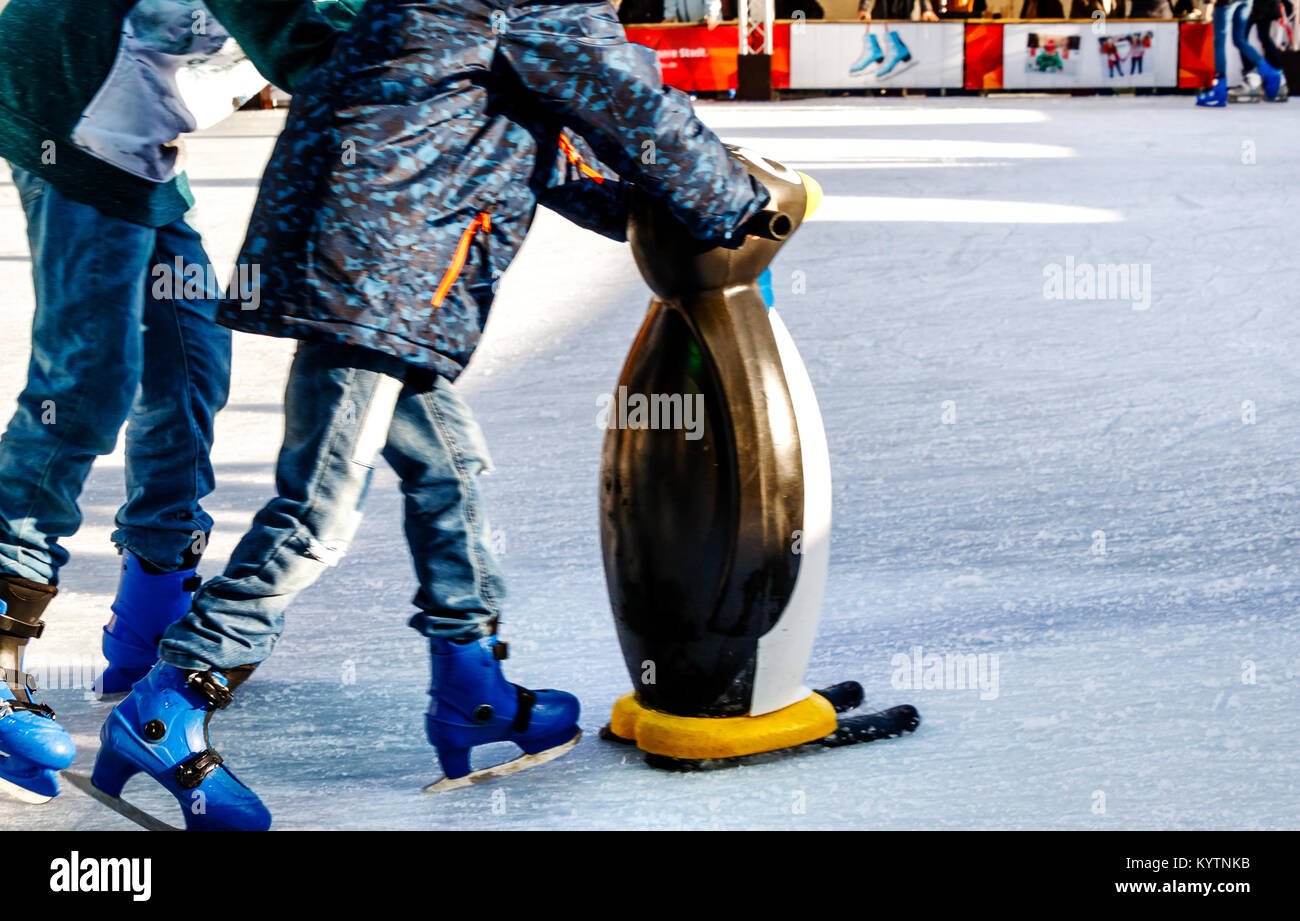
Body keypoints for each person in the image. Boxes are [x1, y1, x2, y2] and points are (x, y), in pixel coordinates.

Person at [93, 0, 772, 830]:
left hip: (377, 261)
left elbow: (539, 147)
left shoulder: (491, 24)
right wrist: (740, 200)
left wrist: (659, 211)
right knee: (317, 511)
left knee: (450, 470)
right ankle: (168, 707)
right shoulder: (533, 8)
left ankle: (471, 688)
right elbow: (634, 108)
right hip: (374, 270)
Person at [0, 0, 360, 804]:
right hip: (82, 90)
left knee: (187, 350)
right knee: (86, 376)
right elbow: (299, 34)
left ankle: (152, 611)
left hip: (138, 87)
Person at [851, 0, 938, 78]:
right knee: (885, 39)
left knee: (909, 42)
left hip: (908, 8)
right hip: (885, 7)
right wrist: (865, 8)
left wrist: (926, 9)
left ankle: (910, 81)